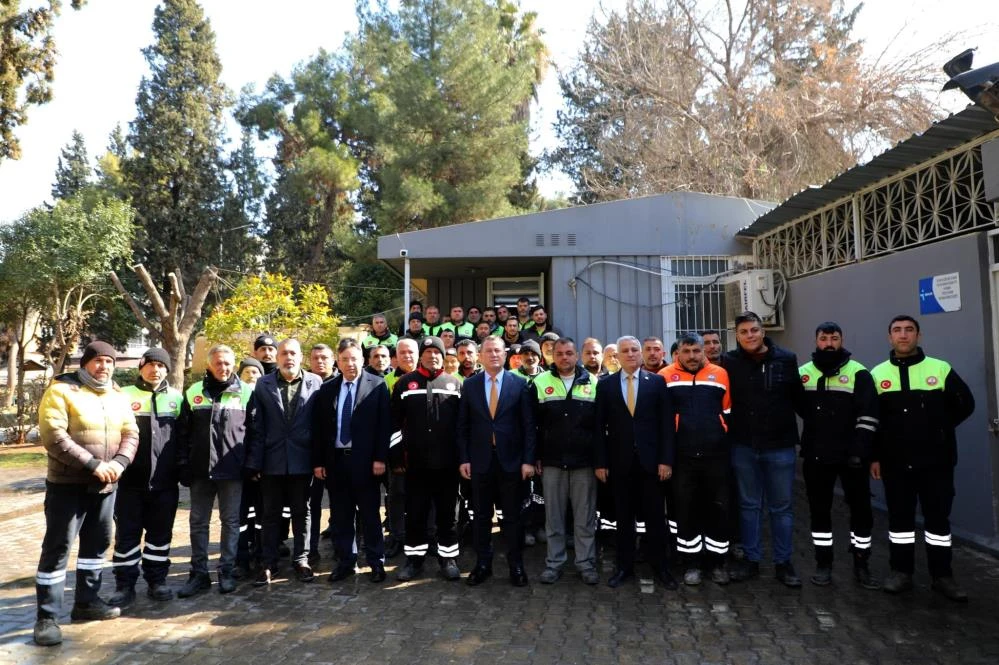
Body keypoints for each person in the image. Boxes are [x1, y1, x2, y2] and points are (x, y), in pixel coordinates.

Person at [33, 341, 139, 646]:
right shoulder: (61, 391)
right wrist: (93, 464)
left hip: (107, 485)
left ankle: (87, 603)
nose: (103, 366)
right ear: (85, 363)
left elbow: (131, 432)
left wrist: (119, 463)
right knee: (58, 548)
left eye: (109, 361)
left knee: (97, 546)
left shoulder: (118, 395)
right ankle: (47, 617)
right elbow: (54, 436)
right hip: (68, 485)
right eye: (98, 361)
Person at [871, 315, 975, 601]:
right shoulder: (877, 374)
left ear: (919, 335)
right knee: (900, 521)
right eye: (897, 331)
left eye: (909, 330)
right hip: (895, 463)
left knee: (938, 522)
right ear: (889, 337)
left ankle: (942, 577)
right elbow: (873, 421)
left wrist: (939, 429)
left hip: (936, 462)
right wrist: (875, 457)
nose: (903, 335)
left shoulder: (940, 369)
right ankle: (901, 572)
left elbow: (966, 404)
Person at [796, 322, 880, 589]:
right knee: (819, 511)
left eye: (834, 338)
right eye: (824, 338)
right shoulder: (803, 374)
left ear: (841, 340)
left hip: (852, 457)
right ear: (816, 341)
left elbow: (868, 415)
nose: (829, 343)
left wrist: (860, 451)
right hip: (817, 456)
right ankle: (824, 563)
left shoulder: (859, 373)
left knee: (861, 512)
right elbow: (797, 407)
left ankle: (861, 562)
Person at [724, 311, 805, 587]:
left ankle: (784, 563)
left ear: (763, 331)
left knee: (781, 508)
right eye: (744, 332)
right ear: (737, 335)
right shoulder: (729, 362)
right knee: (748, 506)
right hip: (744, 446)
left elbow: (799, 402)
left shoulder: (786, 359)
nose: (750, 336)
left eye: (754, 330)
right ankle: (752, 560)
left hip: (780, 447)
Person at [595, 336, 677, 591]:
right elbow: (599, 428)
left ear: (640, 354)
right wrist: (601, 462)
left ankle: (660, 567)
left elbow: (666, 426)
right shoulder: (606, 386)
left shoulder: (657, 383)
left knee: (655, 518)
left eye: (634, 350)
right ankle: (624, 567)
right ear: (617, 356)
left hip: (651, 464)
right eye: (625, 351)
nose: (630, 354)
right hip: (620, 464)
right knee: (623, 519)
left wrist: (665, 460)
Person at [458, 336, 537, 587]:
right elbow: (463, 426)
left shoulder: (520, 384)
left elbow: (528, 426)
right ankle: (483, 564)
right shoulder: (469, 386)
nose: (493, 355)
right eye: (488, 351)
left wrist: (528, 460)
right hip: (480, 462)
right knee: (481, 516)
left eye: (497, 351)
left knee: (513, 517)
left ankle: (516, 565)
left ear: (505, 355)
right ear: (480, 355)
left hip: (512, 462)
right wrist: (464, 459)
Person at [312, 338, 392, 583]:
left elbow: (384, 426)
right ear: (338, 361)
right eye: (345, 359)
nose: (350, 364)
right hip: (336, 463)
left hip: (366, 463)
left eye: (354, 359)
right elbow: (320, 430)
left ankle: (376, 562)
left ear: (363, 360)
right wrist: (319, 462)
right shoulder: (327, 390)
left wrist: (380, 458)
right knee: (342, 515)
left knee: (370, 515)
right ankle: (346, 561)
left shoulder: (377, 385)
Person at [176, 344, 252, 598]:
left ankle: (226, 571)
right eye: (218, 363)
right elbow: (182, 433)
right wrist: (184, 465)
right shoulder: (193, 392)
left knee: (231, 522)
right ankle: (199, 574)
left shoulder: (246, 392)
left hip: (232, 470)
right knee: (198, 522)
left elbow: (254, 433)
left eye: (228, 363)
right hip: (200, 471)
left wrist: (251, 464)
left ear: (234, 364)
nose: (223, 367)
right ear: (209, 365)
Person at [245, 339, 323, 586]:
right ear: (276, 358)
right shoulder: (263, 384)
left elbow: (320, 427)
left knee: (303, 512)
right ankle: (268, 563)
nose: (288, 357)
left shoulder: (315, 382)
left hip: (303, 460)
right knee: (270, 515)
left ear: (301, 357)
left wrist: (318, 460)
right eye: (283, 353)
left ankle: (301, 559)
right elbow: (256, 426)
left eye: (293, 353)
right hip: (272, 460)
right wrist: (255, 463)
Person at [110, 348, 183, 608]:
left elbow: (183, 438)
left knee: (160, 535)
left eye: (161, 366)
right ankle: (124, 584)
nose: (156, 370)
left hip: (165, 483)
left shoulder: (177, 398)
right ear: (141, 367)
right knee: (127, 536)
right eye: (151, 365)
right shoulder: (123, 396)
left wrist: (181, 468)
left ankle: (157, 581)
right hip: (130, 482)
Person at [661, 333, 732, 586]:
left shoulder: (721, 374)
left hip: (716, 457)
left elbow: (728, 413)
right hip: (682, 458)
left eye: (696, 351)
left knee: (718, 509)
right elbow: (662, 422)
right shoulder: (666, 376)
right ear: (678, 352)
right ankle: (691, 563)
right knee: (685, 510)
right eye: (686, 351)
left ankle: (717, 563)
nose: (692, 356)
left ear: (704, 352)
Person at [391, 337, 463, 581]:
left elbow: (462, 427)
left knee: (447, 514)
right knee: (416, 513)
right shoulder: (404, 384)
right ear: (421, 356)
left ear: (443, 357)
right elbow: (394, 423)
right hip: (416, 464)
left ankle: (448, 559)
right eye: (428, 352)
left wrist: (462, 457)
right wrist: (397, 456)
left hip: (447, 464)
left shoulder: (455, 384)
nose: (432, 356)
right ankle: (414, 561)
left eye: (437, 352)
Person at [532, 338, 600, 586]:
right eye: (559, 353)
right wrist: (535, 456)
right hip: (551, 462)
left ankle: (586, 564)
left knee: (584, 518)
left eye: (569, 353)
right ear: (552, 356)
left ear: (577, 356)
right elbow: (533, 426)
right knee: (554, 518)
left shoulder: (593, 383)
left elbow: (600, 427)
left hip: (584, 463)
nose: (564, 357)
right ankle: (554, 563)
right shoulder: (540, 383)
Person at [384, 338, 419, 558]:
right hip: (397, 449)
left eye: (410, 352)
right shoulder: (386, 381)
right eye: (402, 353)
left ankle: (426, 535)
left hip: (423, 450)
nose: (407, 356)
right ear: (396, 356)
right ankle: (397, 536)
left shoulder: (427, 379)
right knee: (396, 494)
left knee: (424, 495)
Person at [235, 357, 266, 577]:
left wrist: (257, 464)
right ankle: (241, 558)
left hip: (264, 468)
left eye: (256, 372)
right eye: (247, 372)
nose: (251, 376)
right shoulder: (235, 398)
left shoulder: (267, 397)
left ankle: (262, 555)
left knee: (264, 516)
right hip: (238, 468)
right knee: (241, 516)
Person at [306, 344, 337, 557]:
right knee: (311, 504)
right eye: (315, 358)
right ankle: (311, 548)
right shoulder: (305, 384)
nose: (320, 361)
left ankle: (340, 545)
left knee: (340, 503)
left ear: (333, 359)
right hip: (311, 455)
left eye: (324, 357)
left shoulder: (341, 383)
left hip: (337, 455)